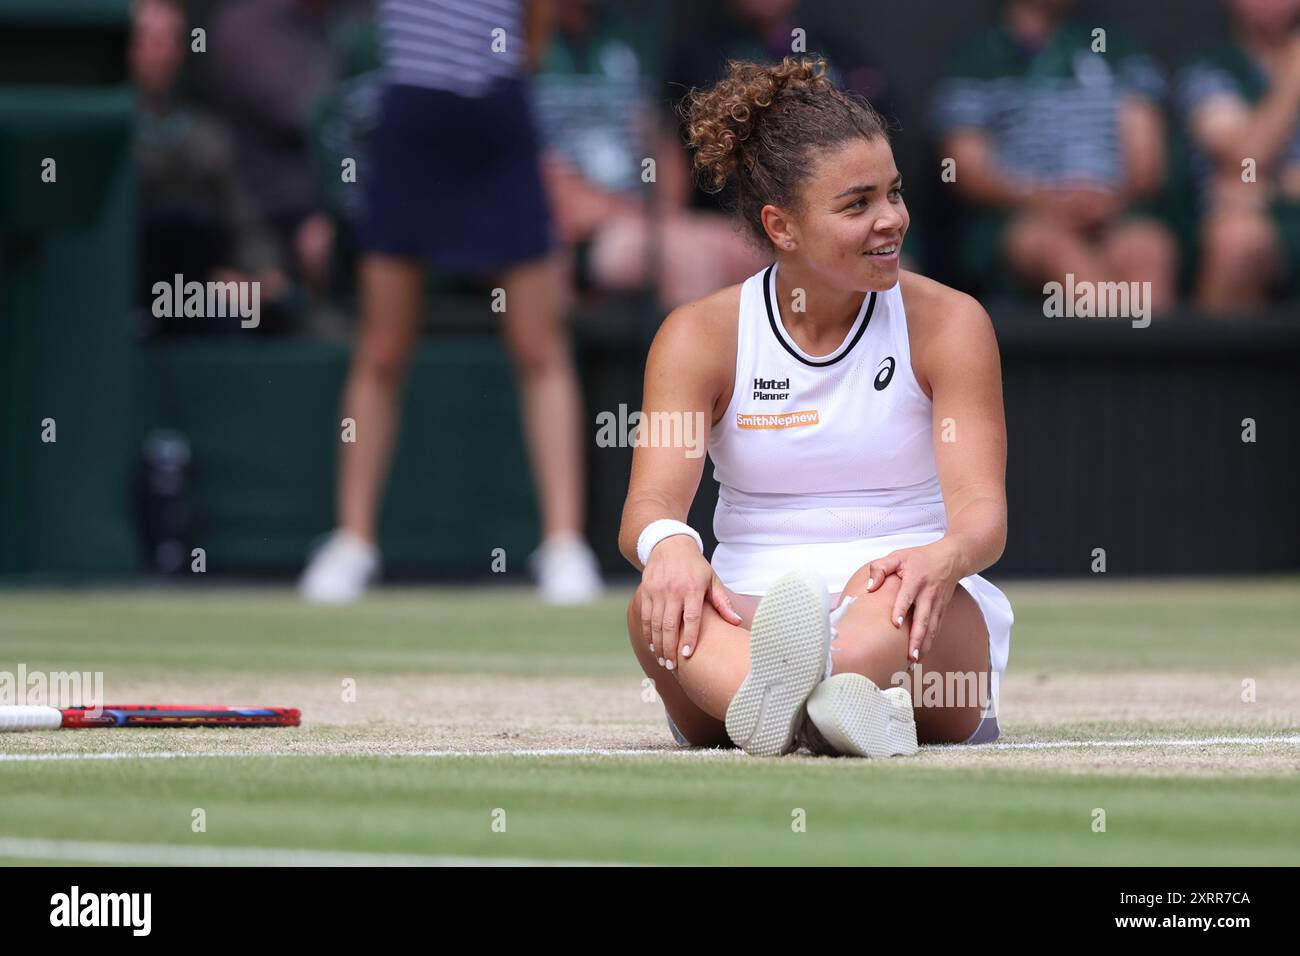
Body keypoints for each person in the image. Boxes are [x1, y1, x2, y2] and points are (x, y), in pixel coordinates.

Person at [619, 57, 1013, 756]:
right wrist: (673, 549)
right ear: (782, 226)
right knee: (651, 606)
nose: (891, 220)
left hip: (907, 615)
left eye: (894, 193)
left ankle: (791, 704)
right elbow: (647, 511)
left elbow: (984, 516)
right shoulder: (697, 336)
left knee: (900, 603)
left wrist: (939, 558)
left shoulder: (951, 324)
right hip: (742, 620)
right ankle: (832, 712)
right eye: (857, 204)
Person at [299, 0, 603, 604]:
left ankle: (564, 543)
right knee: (382, 351)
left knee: (540, 348)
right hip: (413, 119)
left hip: (499, 120)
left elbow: (535, 35)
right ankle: (353, 541)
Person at [932, 0, 1176, 311]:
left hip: (1116, 209)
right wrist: (1047, 200)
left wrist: (1104, 201)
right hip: (1016, 217)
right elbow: (964, 169)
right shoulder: (975, 57)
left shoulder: (1117, 46)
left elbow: (1147, 163)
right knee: (1060, 253)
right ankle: (1124, 354)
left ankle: (1142, 356)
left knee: (1149, 248)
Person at [1180, 0, 1300, 312]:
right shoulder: (1210, 66)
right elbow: (1247, 157)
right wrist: (1293, 76)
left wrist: (1277, 187)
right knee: (1237, 240)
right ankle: (1210, 359)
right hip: (1254, 221)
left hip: (1273, 200)